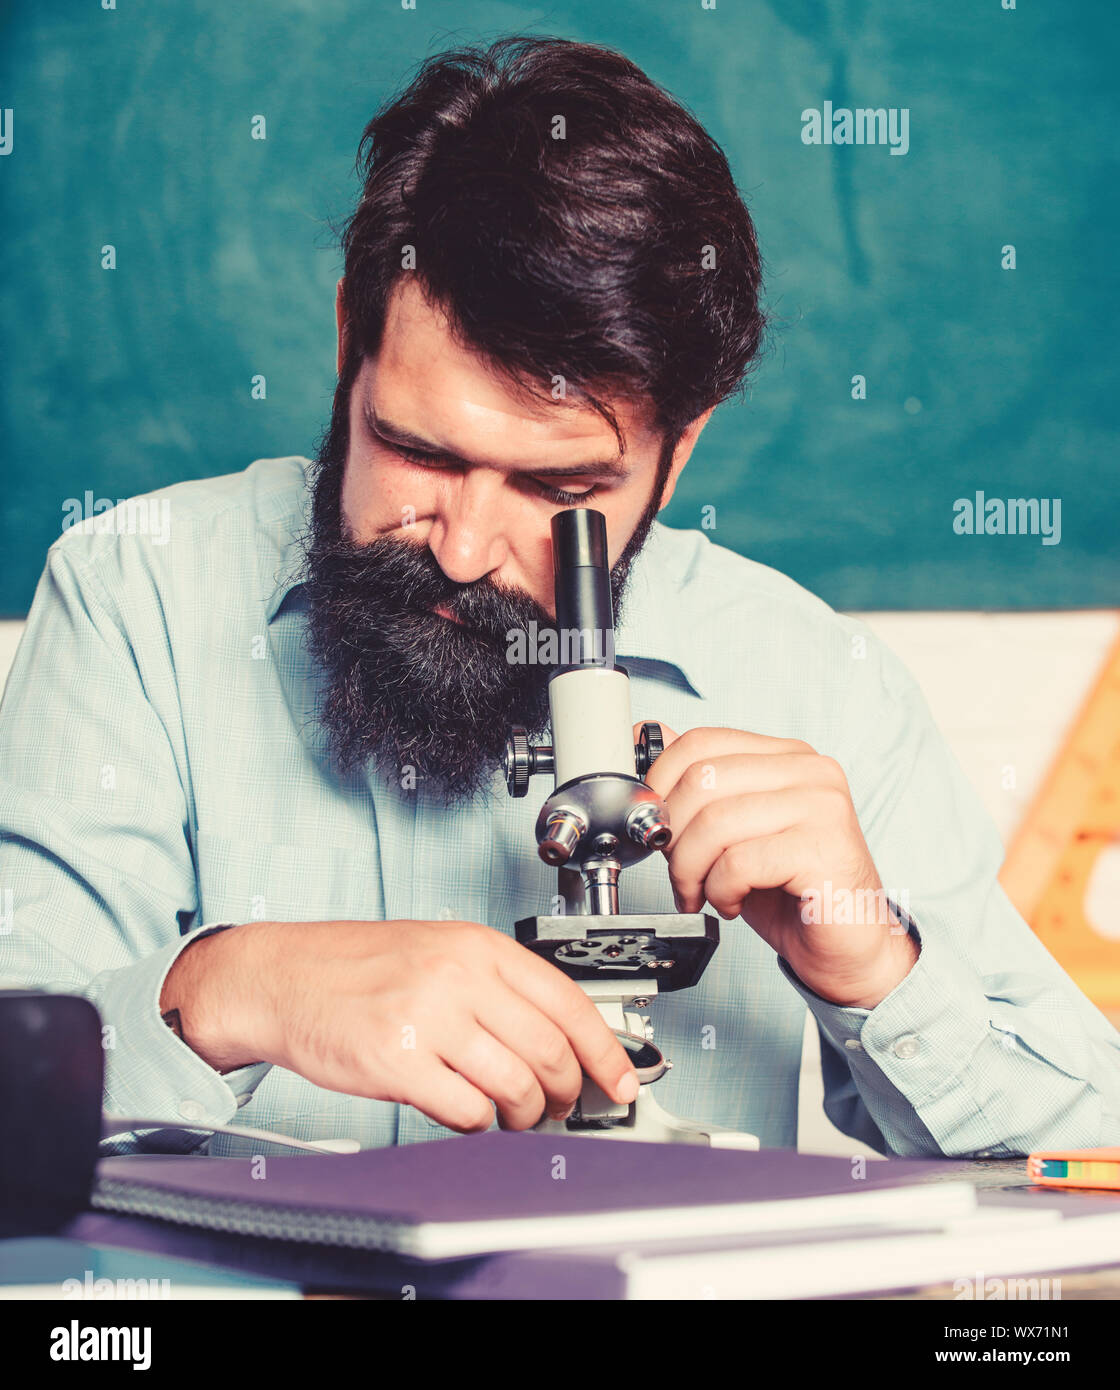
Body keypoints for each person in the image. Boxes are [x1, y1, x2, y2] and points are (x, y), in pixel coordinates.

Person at [2, 36, 1117, 1158]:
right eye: (416, 451)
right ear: (351, 341)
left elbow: (1093, 1161)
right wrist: (227, 990)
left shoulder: (817, 678)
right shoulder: (135, 596)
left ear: (678, 457)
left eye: (559, 487)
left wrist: (871, 963)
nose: (468, 549)